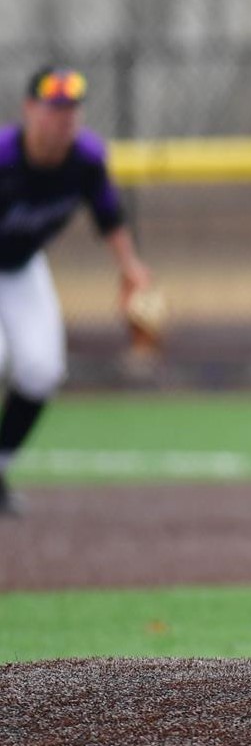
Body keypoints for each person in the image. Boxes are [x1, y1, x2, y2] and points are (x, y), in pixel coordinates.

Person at [0, 66, 154, 517]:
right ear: (30, 110)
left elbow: (108, 215)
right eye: (54, 109)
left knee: (42, 368)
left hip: (23, 267)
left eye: (72, 111)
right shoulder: (4, 158)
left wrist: (131, 269)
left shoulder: (85, 160)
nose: (64, 120)